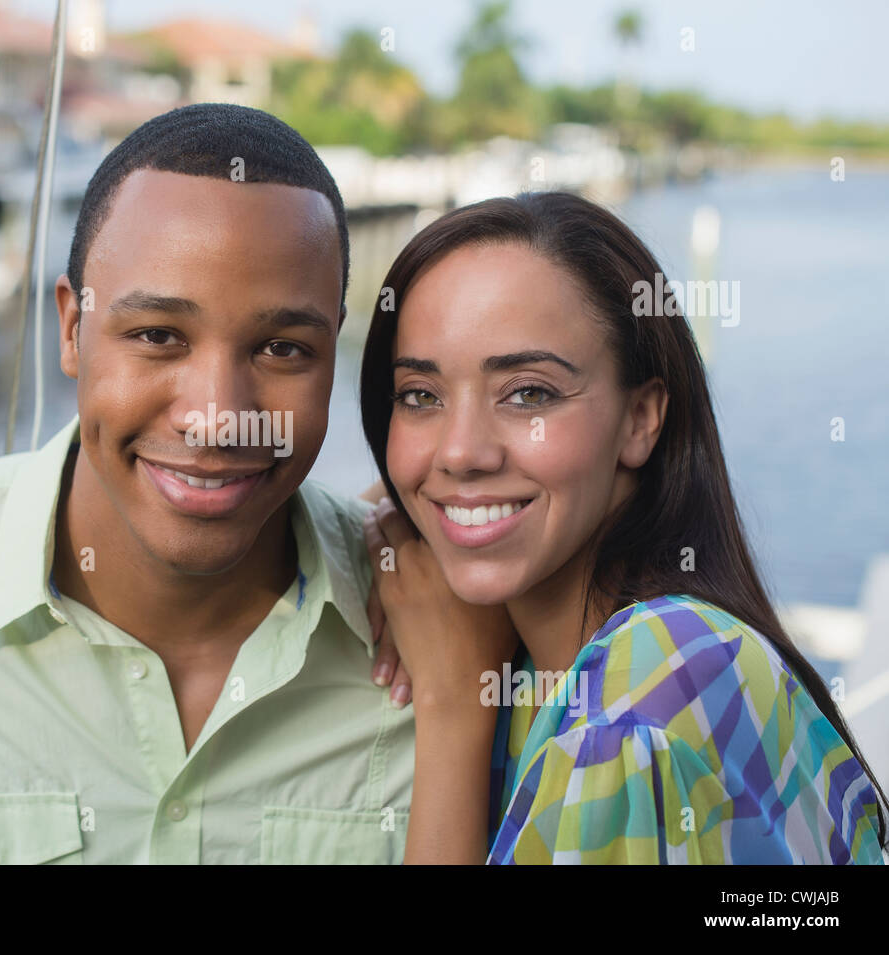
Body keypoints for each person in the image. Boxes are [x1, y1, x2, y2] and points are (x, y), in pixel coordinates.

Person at [0, 103, 423, 865]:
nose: (217, 419)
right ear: (71, 330)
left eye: (283, 348)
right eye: (157, 336)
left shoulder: (434, 626)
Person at [360, 191, 888, 864]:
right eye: (420, 396)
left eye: (529, 393)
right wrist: (384, 515)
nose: (461, 451)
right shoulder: (576, 667)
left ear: (640, 419)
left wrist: (453, 705)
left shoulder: (640, 695)